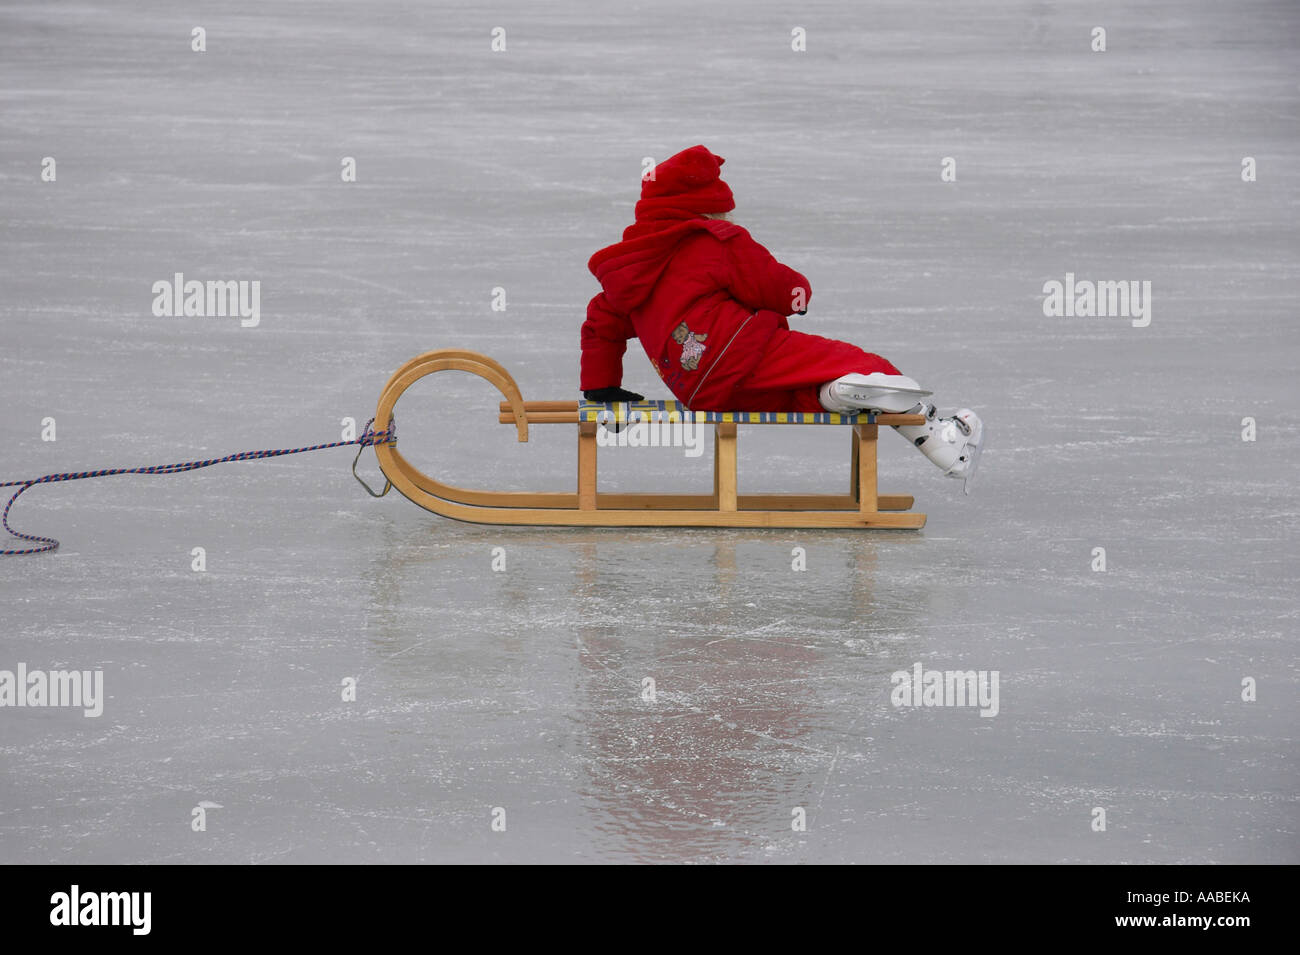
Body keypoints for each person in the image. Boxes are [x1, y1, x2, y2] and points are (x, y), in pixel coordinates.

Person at [580, 145, 983, 490]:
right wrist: (799, 294)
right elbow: (772, 286)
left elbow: (600, 325)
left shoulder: (631, 269)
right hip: (744, 351)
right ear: (710, 208)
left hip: (698, 386)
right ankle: (943, 441)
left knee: (803, 396)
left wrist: (603, 392)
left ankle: (839, 393)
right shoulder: (717, 242)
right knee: (868, 365)